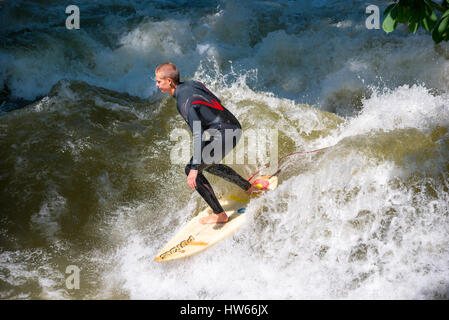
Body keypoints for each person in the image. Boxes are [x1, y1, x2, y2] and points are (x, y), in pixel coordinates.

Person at [155, 62, 260, 224]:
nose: (157, 85)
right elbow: (216, 100)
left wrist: (195, 169)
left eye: (159, 81)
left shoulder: (184, 103)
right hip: (233, 125)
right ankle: (249, 188)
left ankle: (220, 215)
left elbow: (198, 134)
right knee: (209, 163)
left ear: (169, 81)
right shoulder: (193, 84)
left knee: (192, 170)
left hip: (224, 133)